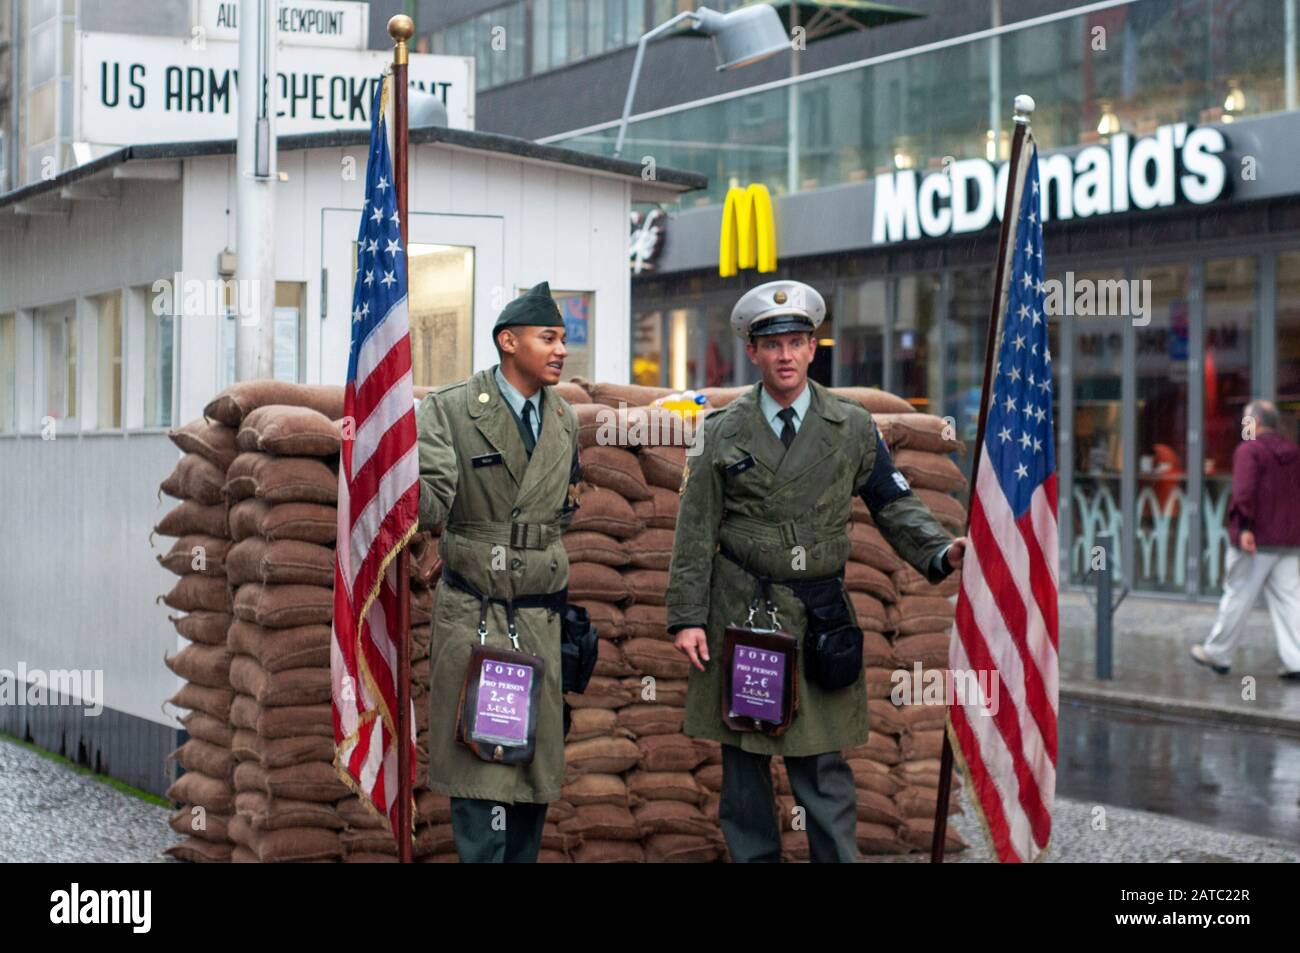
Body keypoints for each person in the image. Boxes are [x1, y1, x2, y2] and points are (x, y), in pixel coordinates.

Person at [665, 279, 967, 863]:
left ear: (813, 348)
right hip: (741, 614)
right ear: (752, 352)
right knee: (746, 773)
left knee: (823, 768)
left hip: (819, 617)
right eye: (772, 344)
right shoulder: (720, 431)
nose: (785, 355)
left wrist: (939, 549)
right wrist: (686, 618)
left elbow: (892, 501)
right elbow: (694, 529)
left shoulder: (851, 426)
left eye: (797, 342)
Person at [415, 281, 582, 862]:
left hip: (538, 615)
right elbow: (433, 501)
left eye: (563, 338)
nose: (561, 349)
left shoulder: (563, 419)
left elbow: (565, 506)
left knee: (534, 779)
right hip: (476, 614)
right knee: (481, 778)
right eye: (548, 338)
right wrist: (388, 479)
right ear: (508, 342)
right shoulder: (452, 408)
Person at [1191, 399, 1300, 679]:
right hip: (1289, 540)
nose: (1242, 425)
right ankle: (1297, 660)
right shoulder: (1293, 452)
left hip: (1256, 539)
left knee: (1238, 593)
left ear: (1257, 423)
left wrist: (1243, 528)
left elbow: (1243, 493)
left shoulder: (1249, 450)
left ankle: (1217, 653)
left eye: (1245, 420)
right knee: (1291, 601)